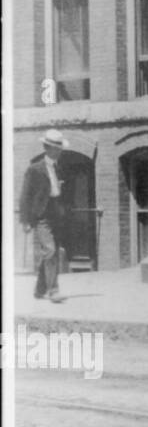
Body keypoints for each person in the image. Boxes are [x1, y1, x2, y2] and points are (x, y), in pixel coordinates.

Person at [20, 128, 69, 304]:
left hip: (56, 213)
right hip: (42, 216)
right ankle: (53, 291)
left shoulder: (59, 167)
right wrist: (25, 221)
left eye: (60, 148)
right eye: (57, 148)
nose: (60, 151)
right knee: (50, 251)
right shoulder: (35, 169)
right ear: (47, 148)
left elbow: (59, 191)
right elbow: (25, 195)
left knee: (51, 252)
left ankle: (39, 289)